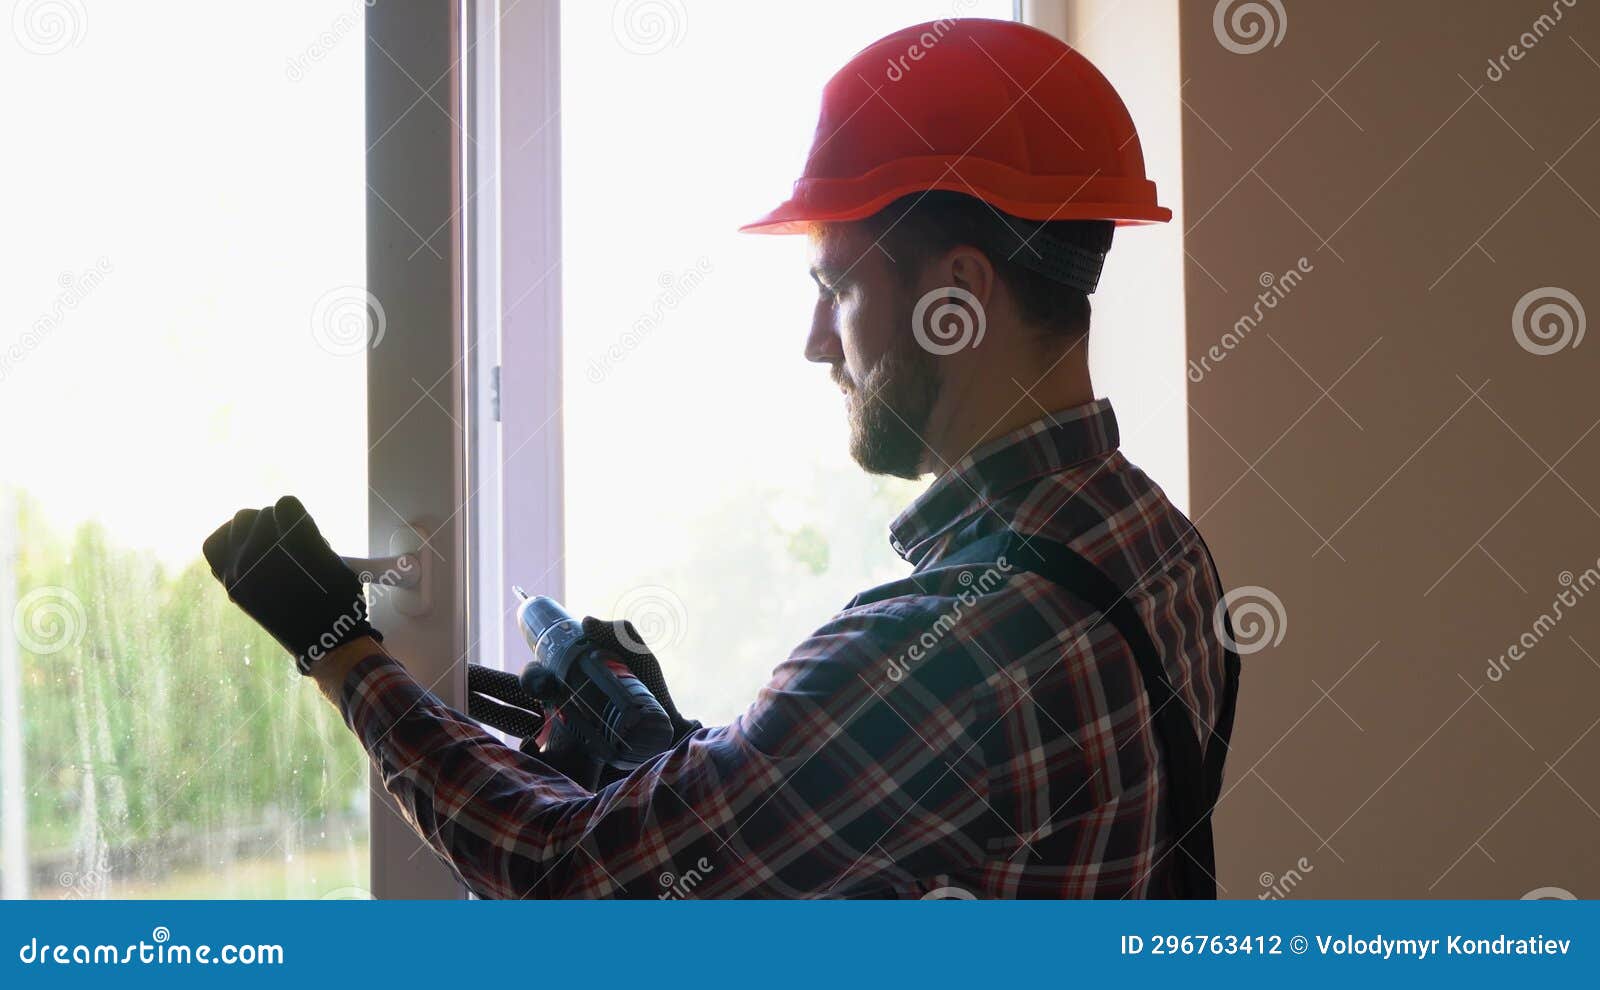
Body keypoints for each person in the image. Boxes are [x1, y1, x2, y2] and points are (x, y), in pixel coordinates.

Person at [204, 18, 1239, 899]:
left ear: (957, 298)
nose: (817, 343)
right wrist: (670, 751)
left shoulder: (948, 652)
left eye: (836, 288)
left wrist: (345, 656)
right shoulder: (1154, 543)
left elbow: (572, 879)